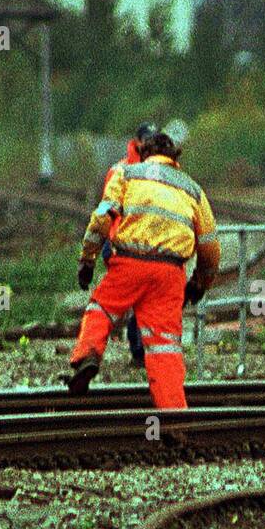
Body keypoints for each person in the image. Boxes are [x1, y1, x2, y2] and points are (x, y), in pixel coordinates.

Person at [68, 132, 219, 408]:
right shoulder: (192, 189)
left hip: (129, 262)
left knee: (101, 309)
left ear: (145, 152)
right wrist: (200, 282)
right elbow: (209, 246)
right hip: (170, 273)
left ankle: (87, 356)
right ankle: (174, 413)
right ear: (175, 158)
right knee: (165, 345)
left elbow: (102, 217)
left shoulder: (127, 174)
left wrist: (87, 259)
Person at [98, 123, 157, 368]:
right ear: (138, 141)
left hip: (146, 242)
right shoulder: (121, 170)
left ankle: (138, 350)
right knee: (128, 299)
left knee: (140, 299)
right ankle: (134, 348)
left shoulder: (158, 170)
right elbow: (107, 210)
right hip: (122, 242)